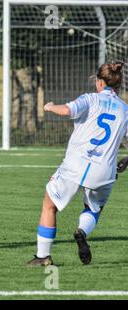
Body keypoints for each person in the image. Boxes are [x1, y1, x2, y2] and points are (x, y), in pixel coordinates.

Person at [28, 61, 127, 266]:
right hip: (104, 171)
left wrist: (49, 106)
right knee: (93, 209)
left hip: (75, 166)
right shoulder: (125, 110)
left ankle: (43, 256)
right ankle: (81, 231)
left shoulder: (90, 99)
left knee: (49, 205)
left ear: (99, 82)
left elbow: (66, 111)